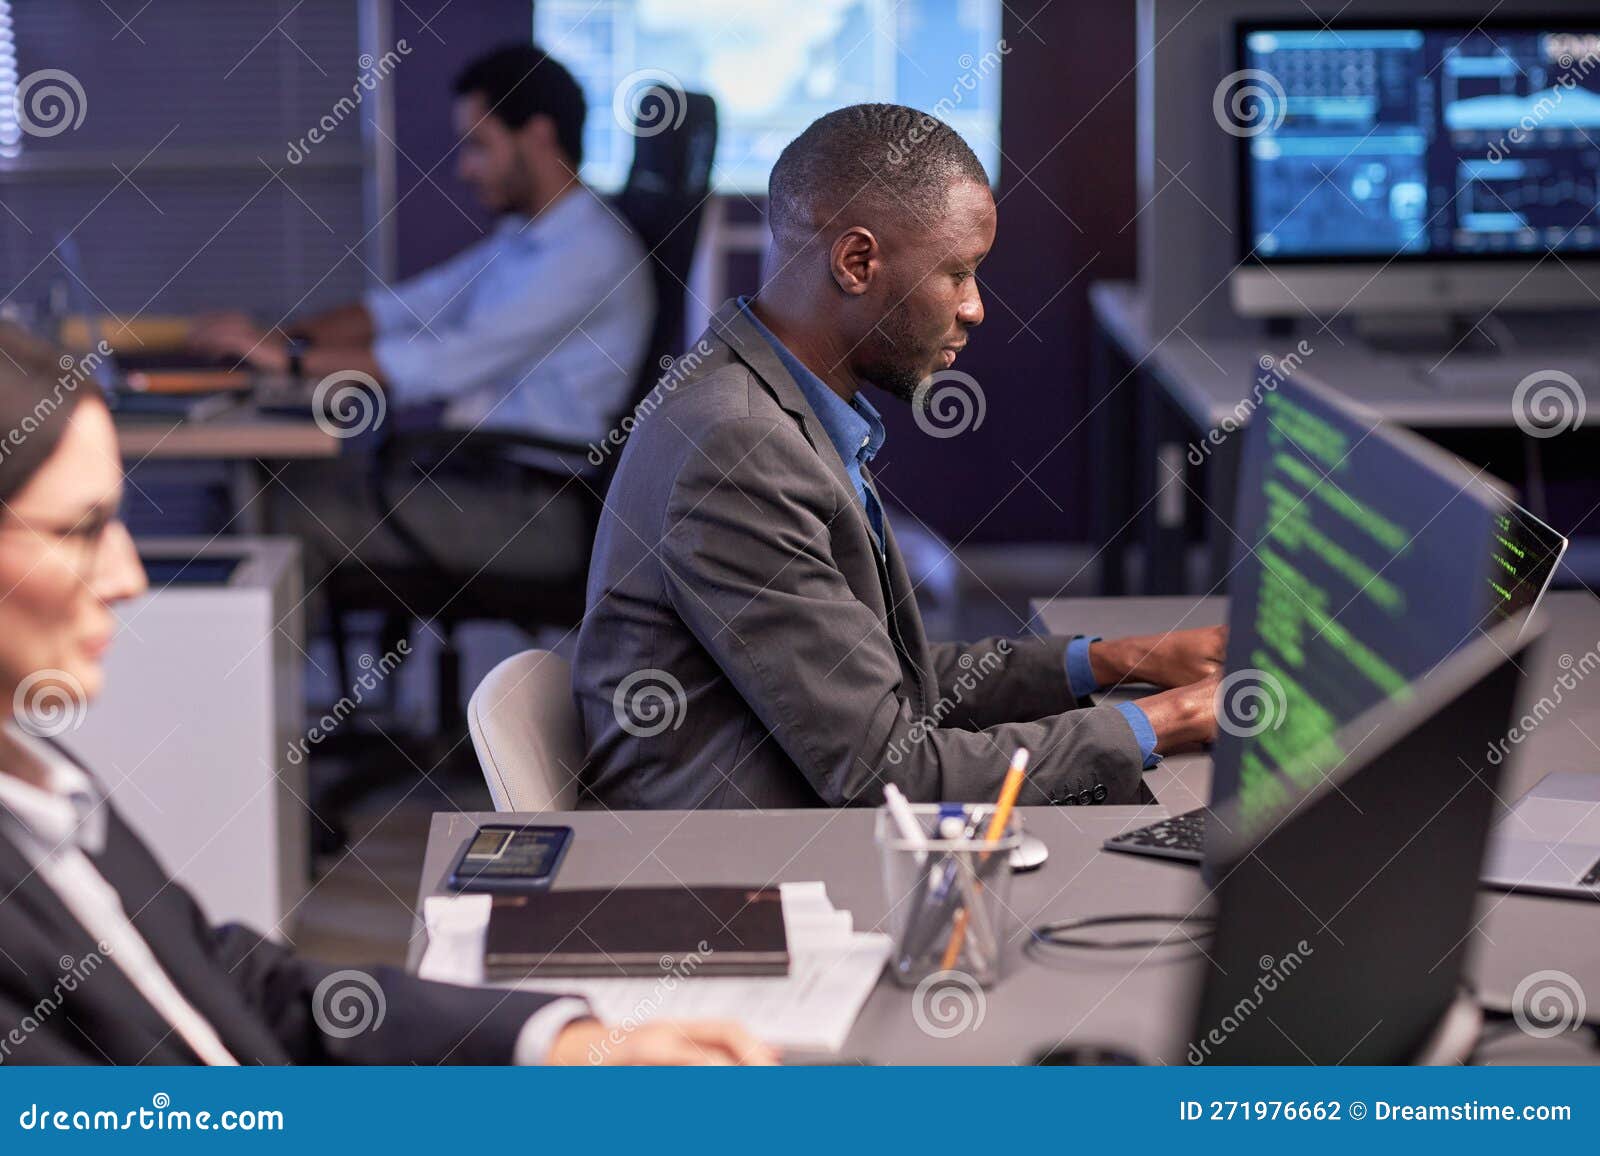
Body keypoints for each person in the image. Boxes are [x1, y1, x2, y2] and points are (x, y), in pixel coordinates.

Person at [0, 354, 770, 1065]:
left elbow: (225, 982)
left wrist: (560, 1045)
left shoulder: (41, 777)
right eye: (80, 529)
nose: (128, 575)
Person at [573, 105, 1225, 810]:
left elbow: (886, 679)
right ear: (857, 262)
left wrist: (1119, 660)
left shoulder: (775, 401)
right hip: (740, 873)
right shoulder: (738, 449)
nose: (975, 308)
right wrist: (1174, 717)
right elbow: (887, 771)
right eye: (958, 273)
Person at [187, 43, 654, 591]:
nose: (465, 168)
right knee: (265, 489)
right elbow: (407, 307)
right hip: (480, 480)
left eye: (479, 146)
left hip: (534, 508)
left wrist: (289, 361)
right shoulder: (527, 238)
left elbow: (447, 362)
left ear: (539, 136)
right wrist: (283, 337)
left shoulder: (588, 252)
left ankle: (266, 678)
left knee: (276, 520)